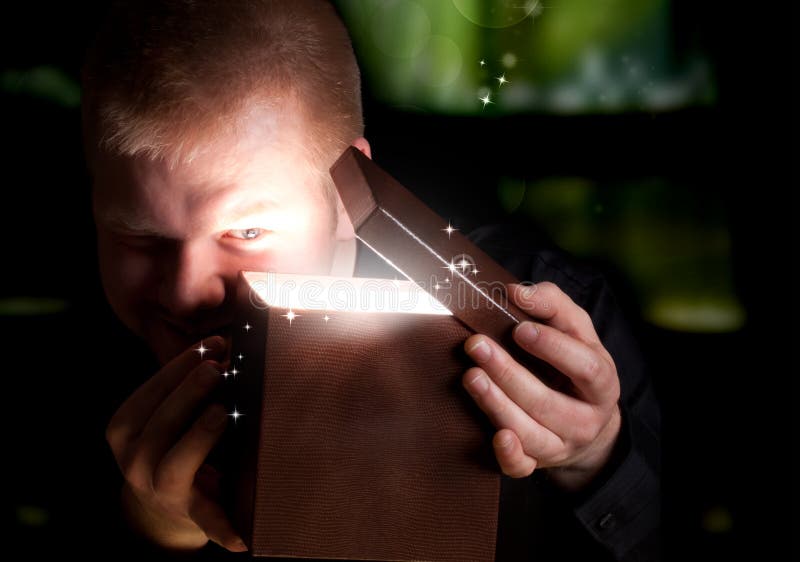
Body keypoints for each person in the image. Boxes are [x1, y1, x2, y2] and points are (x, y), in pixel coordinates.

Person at [81, 0, 661, 560]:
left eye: (248, 232)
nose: (186, 292)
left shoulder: (554, 324)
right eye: (143, 240)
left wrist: (595, 459)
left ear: (345, 194)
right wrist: (155, 526)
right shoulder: (83, 348)